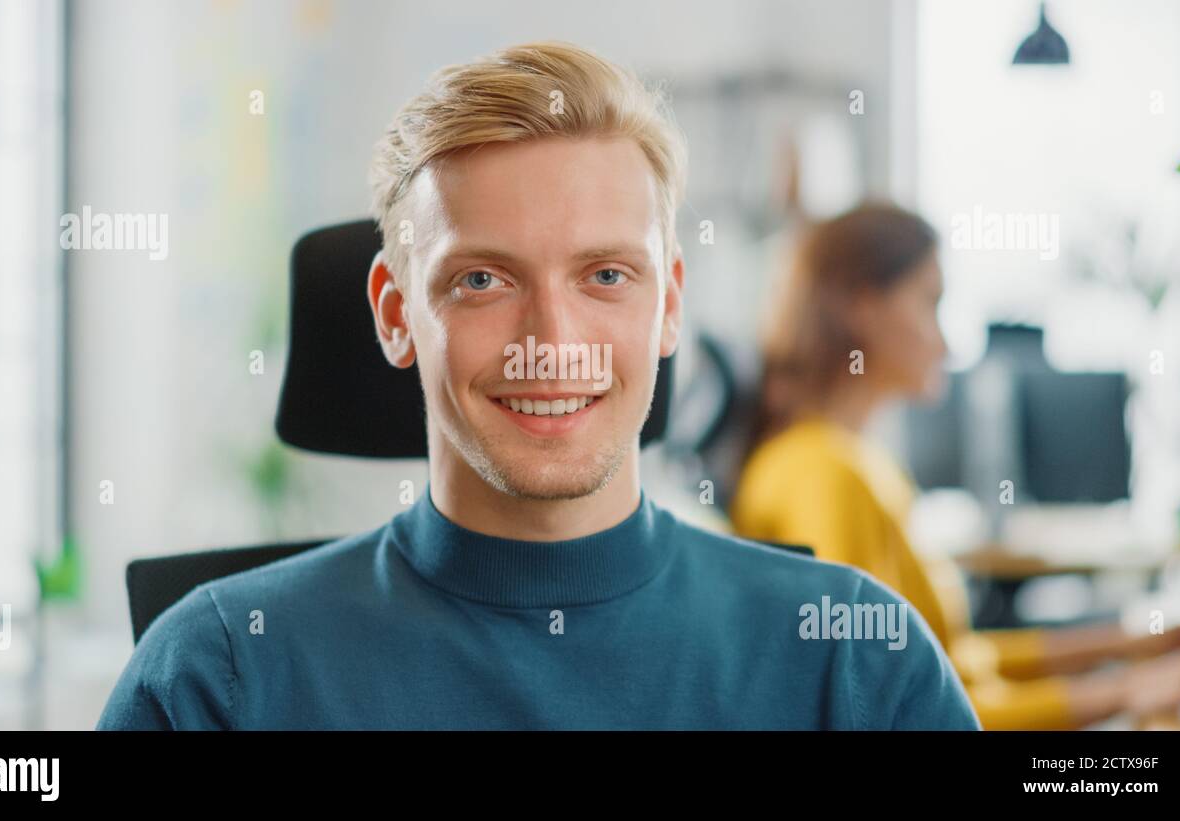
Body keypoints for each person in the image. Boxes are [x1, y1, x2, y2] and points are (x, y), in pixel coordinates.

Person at [97, 43, 978, 730]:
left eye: (604, 276)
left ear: (669, 304)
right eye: (483, 280)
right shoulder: (220, 674)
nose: (551, 343)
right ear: (396, 313)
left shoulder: (856, 657)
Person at [730, 202, 1180, 730]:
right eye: (930, 302)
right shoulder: (819, 475)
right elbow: (886, 710)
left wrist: (1137, 645)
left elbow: (953, 660)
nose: (947, 340)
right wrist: (1122, 691)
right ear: (865, 307)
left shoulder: (849, 461)